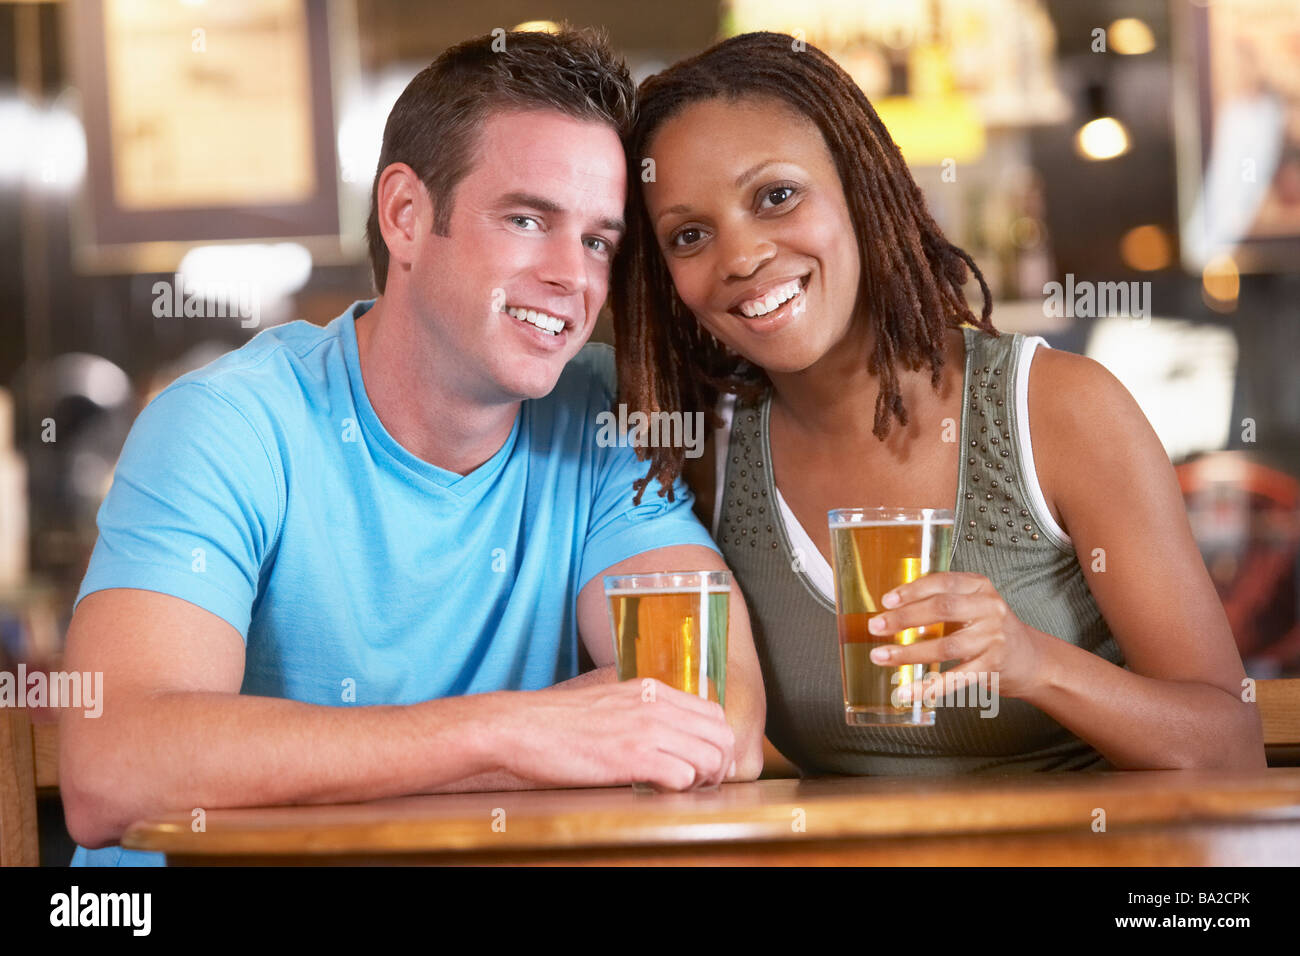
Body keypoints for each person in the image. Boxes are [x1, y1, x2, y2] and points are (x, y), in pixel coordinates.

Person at [62, 28, 765, 867]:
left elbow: (716, 711)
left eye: (596, 241)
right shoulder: (226, 424)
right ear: (405, 215)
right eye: (526, 218)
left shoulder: (602, 416)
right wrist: (514, 733)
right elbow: (111, 768)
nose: (571, 278)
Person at [611, 32, 1264, 775]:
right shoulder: (700, 455)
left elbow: (1228, 742)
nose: (740, 257)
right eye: (689, 235)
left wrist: (1034, 663)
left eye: (777, 196)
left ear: (860, 188)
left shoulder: (1057, 410)